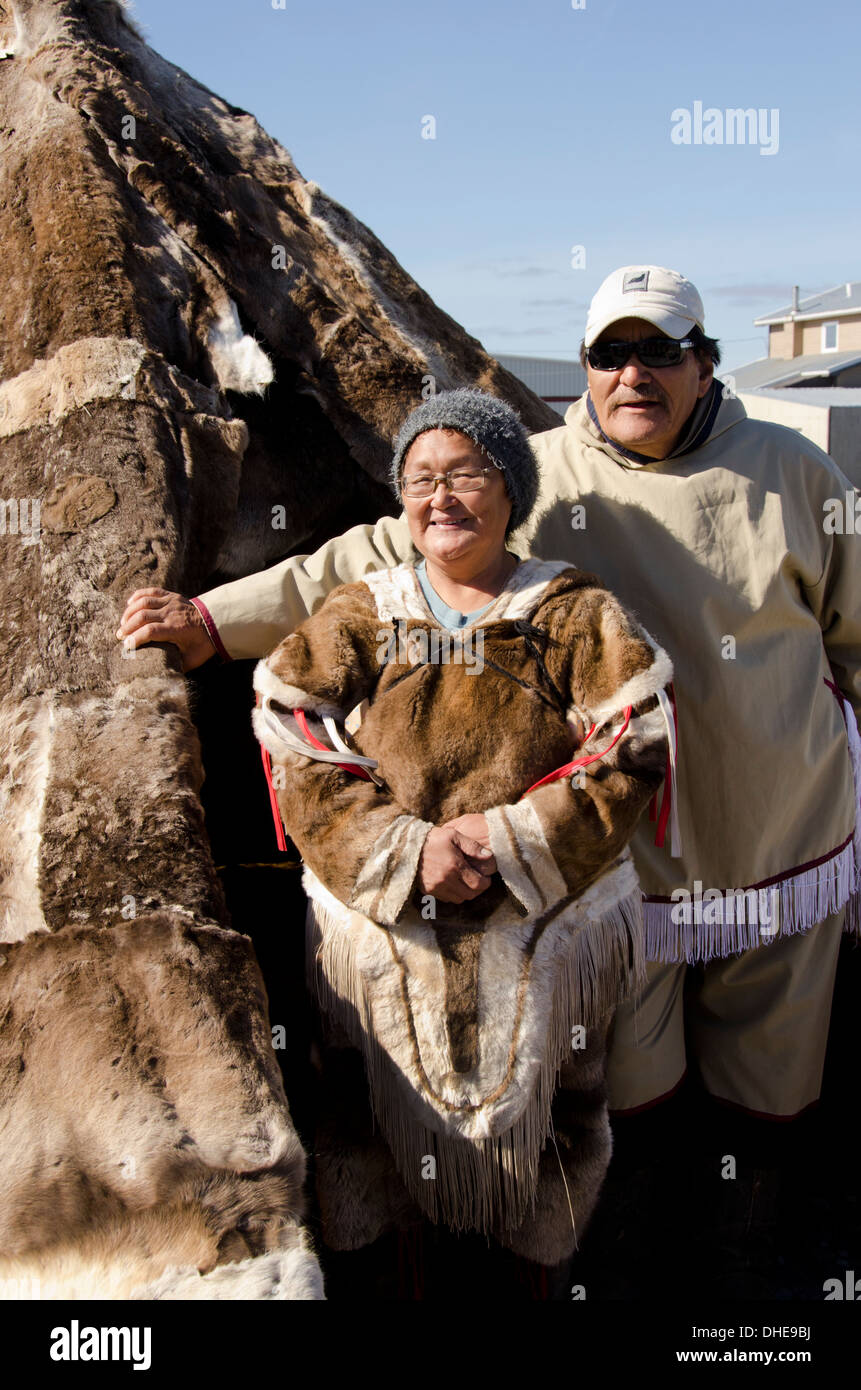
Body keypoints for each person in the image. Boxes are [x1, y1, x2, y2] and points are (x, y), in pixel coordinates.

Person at [117, 264, 861, 1130]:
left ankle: (750, 1228)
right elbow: (369, 555)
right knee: (632, 1088)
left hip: (779, 831)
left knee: (767, 1085)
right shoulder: (528, 476)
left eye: (660, 349)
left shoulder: (795, 473)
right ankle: (635, 1241)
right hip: (621, 850)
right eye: (609, 352)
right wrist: (210, 619)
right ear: (583, 365)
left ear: (703, 362)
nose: (634, 373)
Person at [248, 389, 670, 1270]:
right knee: (364, 1126)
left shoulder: (569, 610)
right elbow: (291, 723)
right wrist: (406, 852)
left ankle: (528, 1275)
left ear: (511, 490)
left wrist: (502, 842)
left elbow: (635, 737)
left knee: (554, 1128)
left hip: (540, 923)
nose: (440, 496)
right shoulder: (367, 608)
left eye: (465, 474)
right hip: (384, 929)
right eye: (419, 478)